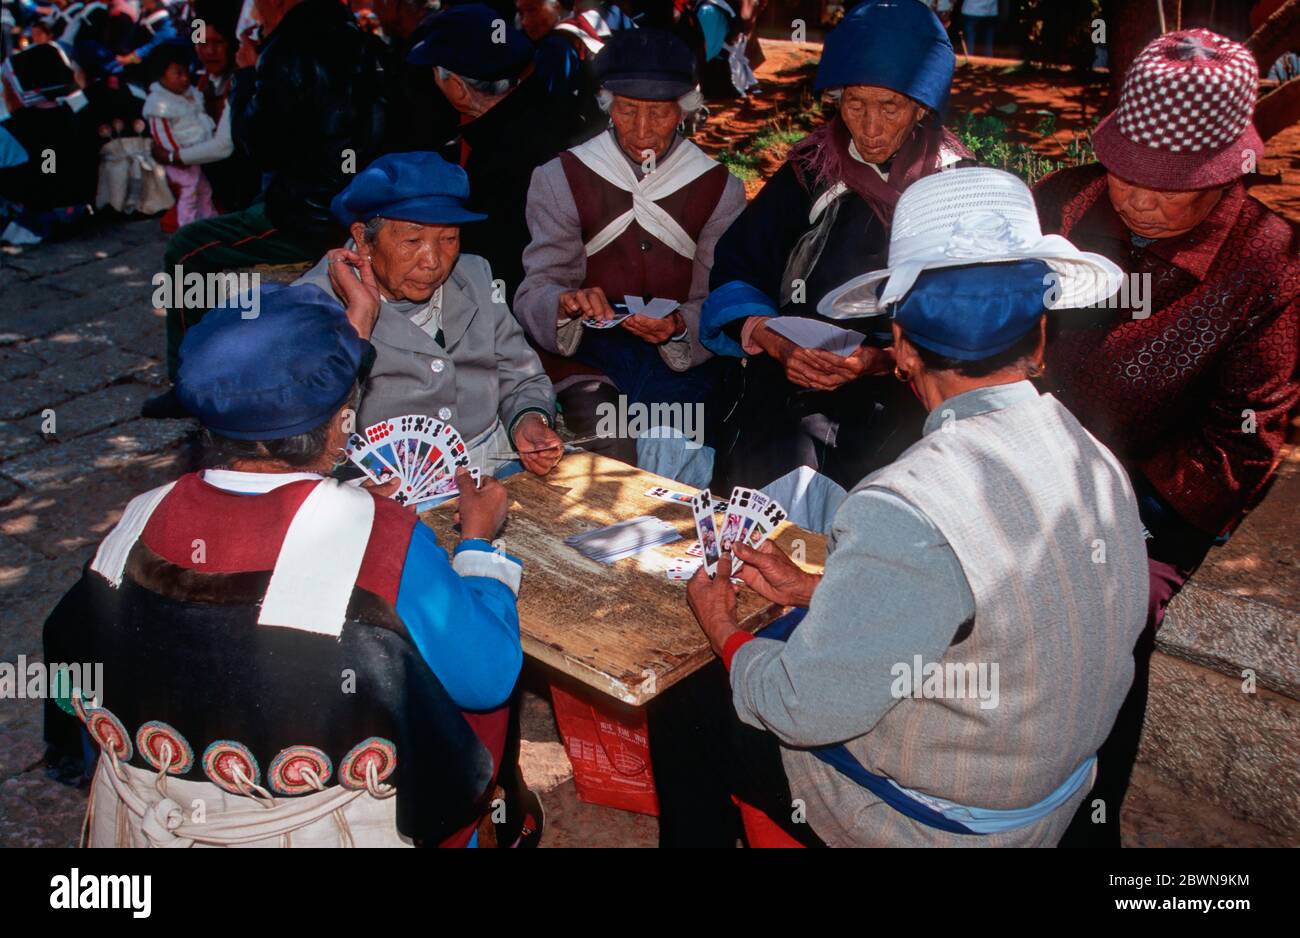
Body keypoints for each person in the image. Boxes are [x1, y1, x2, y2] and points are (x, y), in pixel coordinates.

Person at [649, 167, 1148, 848]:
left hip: (935, 823)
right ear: (1037, 340)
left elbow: (802, 709)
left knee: (691, 701)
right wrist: (819, 589)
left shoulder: (909, 498)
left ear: (904, 349)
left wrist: (724, 631)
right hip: (1051, 797)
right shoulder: (1094, 458)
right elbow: (991, 601)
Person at [43, 282, 526, 847]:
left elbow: (66, 664)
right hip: (320, 829)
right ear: (341, 421)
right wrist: (475, 546)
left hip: (147, 813)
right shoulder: (384, 535)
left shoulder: (139, 518)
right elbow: (488, 679)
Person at [1033, 29, 1300, 848]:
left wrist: (1105, 497)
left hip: (1151, 503)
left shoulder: (1268, 262)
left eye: (1167, 187)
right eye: (1125, 172)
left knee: (1105, 619)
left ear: (1225, 172)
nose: (1137, 201)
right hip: (1015, 458)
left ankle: (1089, 823)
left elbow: (1243, 443)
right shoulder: (1063, 203)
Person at [699, 0, 973, 496]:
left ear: (921, 108)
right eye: (854, 104)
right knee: (779, 472)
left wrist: (882, 359)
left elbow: (974, 320)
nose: (868, 127)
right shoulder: (809, 172)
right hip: (793, 378)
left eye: (889, 106)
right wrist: (776, 342)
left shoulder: (957, 187)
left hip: (908, 388)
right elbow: (740, 267)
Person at [142, 0, 395, 418]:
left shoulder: (286, 52)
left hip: (310, 213)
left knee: (186, 249)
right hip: (348, 197)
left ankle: (186, 382)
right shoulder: (358, 40)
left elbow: (256, 148)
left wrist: (247, 75)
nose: (254, 13)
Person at [515, 28, 745, 471]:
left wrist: (679, 325)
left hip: (678, 364)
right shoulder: (560, 177)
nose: (642, 131)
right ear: (607, 104)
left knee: (674, 452)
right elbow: (538, 285)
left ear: (683, 109)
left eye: (659, 114)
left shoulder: (719, 189)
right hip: (588, 356)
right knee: (608, 446)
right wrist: (564, 305)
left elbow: (716, 297)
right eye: (627, 110)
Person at [295, 151, 565, 478]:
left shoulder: (475, 275)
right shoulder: (315, 306)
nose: (433, 261)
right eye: (412, 240)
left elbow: (518, 371)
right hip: (380, 484)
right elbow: (307, 431)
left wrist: (528, 421)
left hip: (492, 461)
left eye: (449, 239)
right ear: (362, 240)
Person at [407, 3, 590, 305]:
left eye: (435, 74)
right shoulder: (545, 116)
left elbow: (493, 264)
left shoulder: (498, 161)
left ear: (458, 88)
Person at [0, 42, 99, 244]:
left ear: (23, 89)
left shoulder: (17, 129)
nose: (4, 93)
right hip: (79, 211)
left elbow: (49, 170)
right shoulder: (75, 117)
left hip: (39, 221)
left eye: (7, 85)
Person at [142, 43, 218, 226]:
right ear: (161, 75)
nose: (185, 79)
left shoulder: (189, 93)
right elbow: (162, 135)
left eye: (186, 73)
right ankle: (188, 227)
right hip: (179, 160)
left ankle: (209, 220)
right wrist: (175, 155)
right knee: (189, 193)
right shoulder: (158, 104)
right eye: (178, 73)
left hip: (195, 153)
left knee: (204, 190)